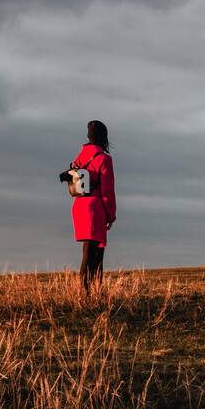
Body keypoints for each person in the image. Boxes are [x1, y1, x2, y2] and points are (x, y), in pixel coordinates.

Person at [69, 120, 116, 291]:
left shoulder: (79, 158)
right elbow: (108, 191)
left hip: (79, 205)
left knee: (88, 251)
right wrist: (111, 215)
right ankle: (91, 292)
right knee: (95, 254)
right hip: (95, 207)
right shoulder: (104, 159)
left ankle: (88, 292)